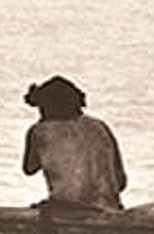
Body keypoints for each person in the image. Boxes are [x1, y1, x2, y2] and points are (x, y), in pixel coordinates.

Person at [21, 75, 125, 209]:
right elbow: (120, 182)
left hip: (70, 208)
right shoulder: (99, 126)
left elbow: (29, 168)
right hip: (110, 206)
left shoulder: (40, 131)